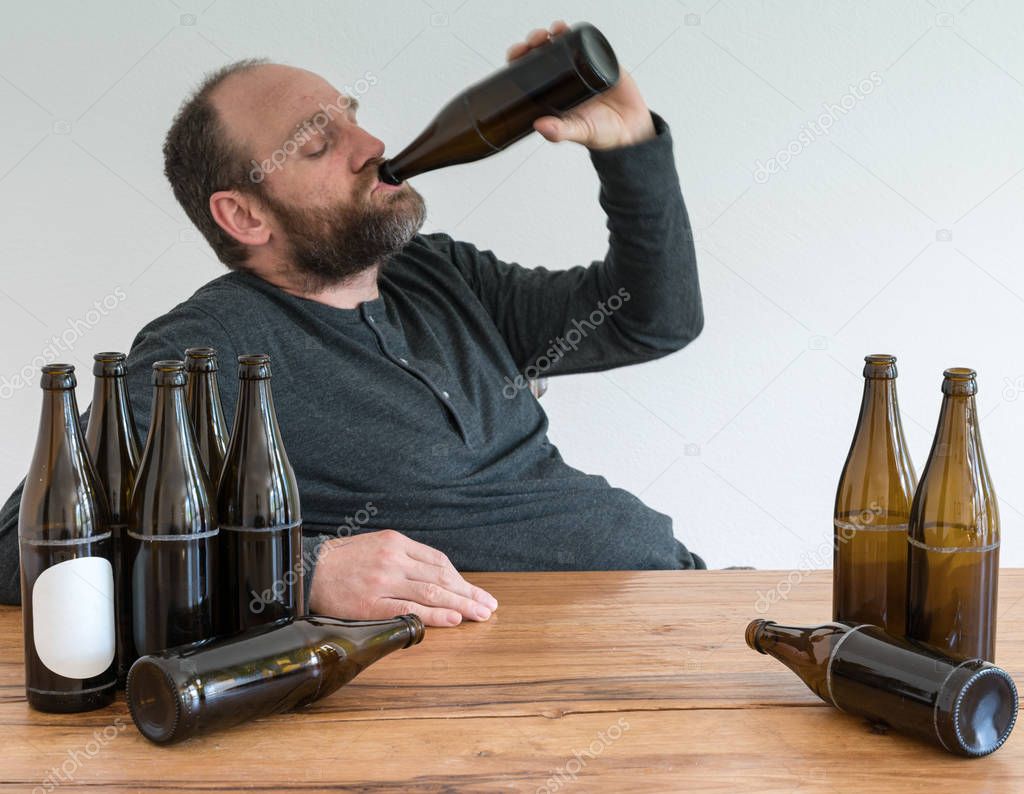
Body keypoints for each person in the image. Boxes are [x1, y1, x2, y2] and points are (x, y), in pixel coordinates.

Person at [0, 21, 704, 626]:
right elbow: (18, 554)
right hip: (548, 677)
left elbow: (653, 321)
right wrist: (300, 572)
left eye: (353, 115)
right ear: (244, 215)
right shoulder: (206, 350)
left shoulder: (440, 275)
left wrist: (630, 149)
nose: (370, 143)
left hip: (677, 597)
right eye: (317, 143)